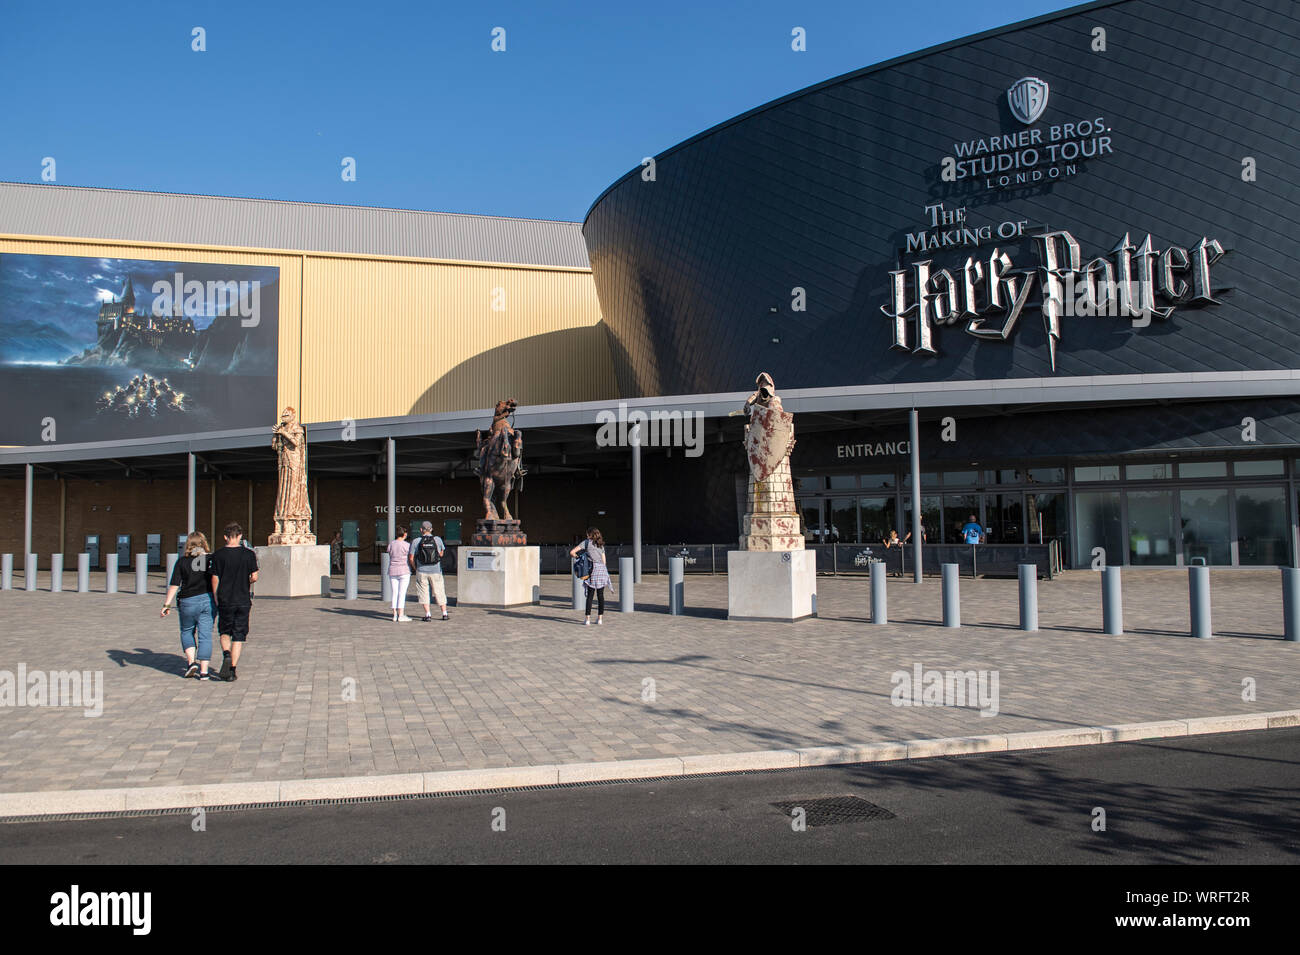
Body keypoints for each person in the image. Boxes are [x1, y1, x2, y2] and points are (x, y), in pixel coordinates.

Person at [161, 531, 216, 680]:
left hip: (187, 601)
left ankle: (191, 662)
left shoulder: (182, 561)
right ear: (204, 543)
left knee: (187, 631)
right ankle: (204, 671)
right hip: (207, 600)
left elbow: (174, 584)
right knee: (205, 635)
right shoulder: (211, 560)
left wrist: (167, 604)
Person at [209, 522, 259, 682]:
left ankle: (226, 654)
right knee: (238, 636)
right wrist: (247, 581)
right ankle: (232, 670)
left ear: (225, 537)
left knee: (224, 632)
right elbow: (254, 576)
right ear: (240, 536)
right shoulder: (249, 555)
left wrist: (216, 596)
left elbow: (215, 578)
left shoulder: (218, 555)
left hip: (225, 599)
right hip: (243, 599)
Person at [408, 520, 449, 621]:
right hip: (436, 570)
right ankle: (444, 613)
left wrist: (415, 568)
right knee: (439, 591)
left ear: (421, 530)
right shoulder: (438, 540)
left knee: (424, 592)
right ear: (431, 529)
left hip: (422, 570)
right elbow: (441, 554)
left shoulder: (416, 541)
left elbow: (411, 558)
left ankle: (428, 615)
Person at [569, 527, 610, 626]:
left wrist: (579, 557)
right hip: (602, 570)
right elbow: (604, 561)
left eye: (587, 534)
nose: (586, 536)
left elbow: (572, 552)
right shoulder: (600, 544)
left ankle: (587, 619)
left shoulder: (586, 543)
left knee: (590, 595)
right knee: (601, 596)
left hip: (592, 570)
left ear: (590, 535)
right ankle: (600, 619)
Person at [386, 525, 413, 622]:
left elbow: (389, 553)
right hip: (404, 570)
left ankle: (394, 615)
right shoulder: (407, 545)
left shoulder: (391, 544)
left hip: (393, 570)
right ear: (405, 534)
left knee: (394, 592)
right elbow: (410, 556)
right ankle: (401, 615)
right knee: (402, 593)